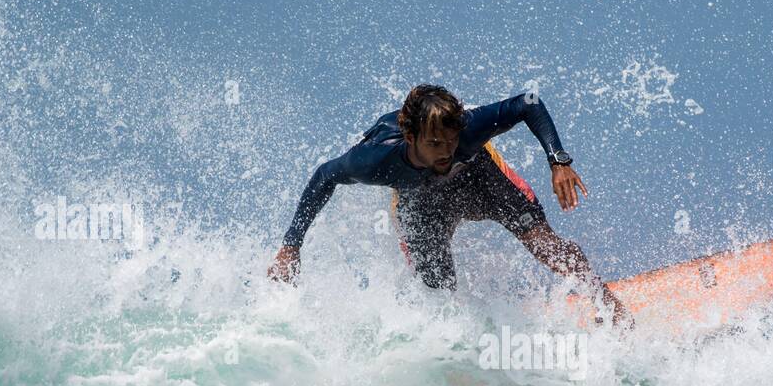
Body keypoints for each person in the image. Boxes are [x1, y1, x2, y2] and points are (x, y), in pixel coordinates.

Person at [267, 84, 631, 325]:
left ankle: (607, 305)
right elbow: (324, 176)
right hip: (421, 204)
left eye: (451, 141)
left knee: (546, 247)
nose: (446, 151)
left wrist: (558, 160)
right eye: (435, 143)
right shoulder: (375, 160)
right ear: (411, 137)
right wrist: (291, 246)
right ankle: (463, 357)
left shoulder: (468, 132)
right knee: (438, 292)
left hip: (480, 179)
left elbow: (529, 103)